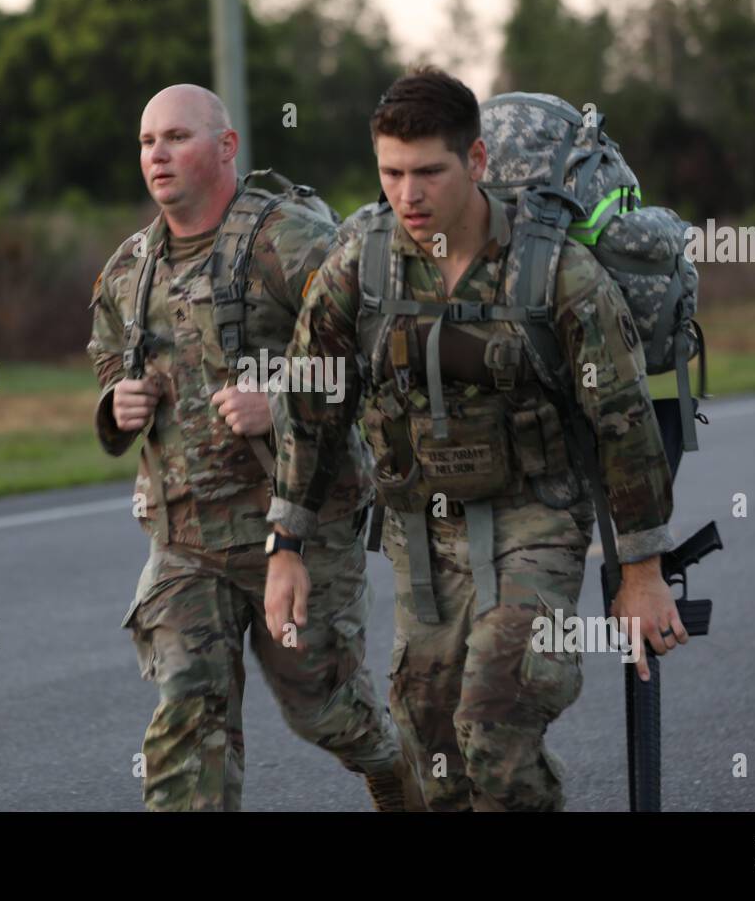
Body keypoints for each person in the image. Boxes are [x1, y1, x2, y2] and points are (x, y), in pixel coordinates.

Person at [264, 67, 686, 811]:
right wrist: (286, 545)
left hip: (539, 520)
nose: (408, 194)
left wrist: (641, 571)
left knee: (494, 730)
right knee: (429, 751)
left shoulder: (555, 269)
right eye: (391, 173)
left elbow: (621, 419)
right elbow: (309, 407)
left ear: (478, 162)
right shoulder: (360, 266)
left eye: (429, 171)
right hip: (421, 534)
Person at [87, 84, 424, 811]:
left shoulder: (290, 242)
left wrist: (280, 403)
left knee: (325, 713)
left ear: (226, 148)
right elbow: (111, 356)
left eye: (176, 137)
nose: (157, 155)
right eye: (147, 142)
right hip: (186, 545)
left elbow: (380, 352)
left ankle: (397, 772)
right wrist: (116, 403)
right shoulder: (128, 268)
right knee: (187, 716)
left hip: (299, 533)